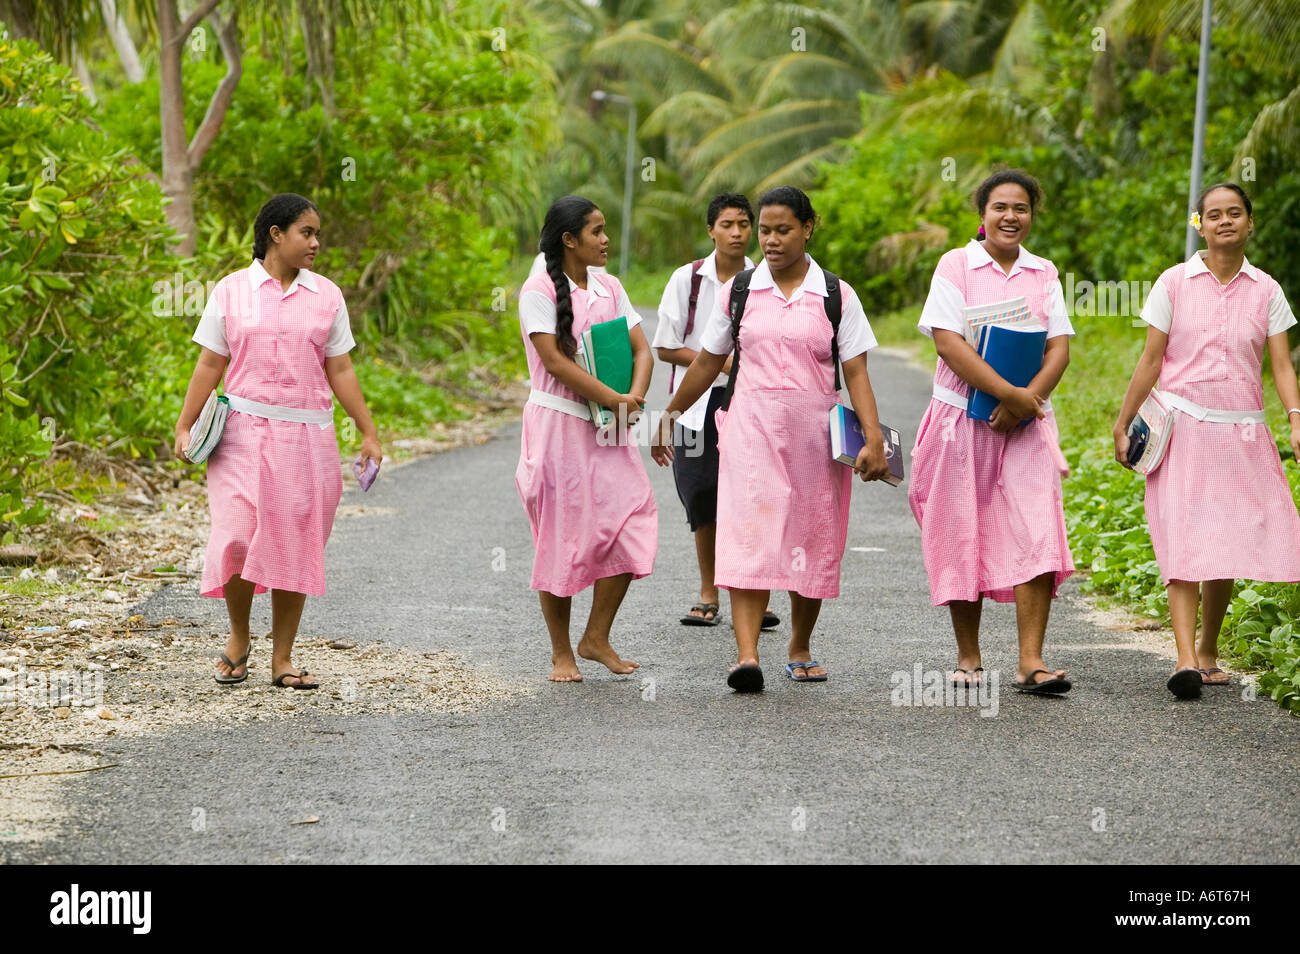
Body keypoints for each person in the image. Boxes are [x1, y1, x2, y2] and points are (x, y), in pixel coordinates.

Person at [652, 186, 889, 692]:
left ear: (808, 228)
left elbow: (857, 372)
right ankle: (747, 656)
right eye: (765, 230)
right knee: (747, 535)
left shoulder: (835, 293)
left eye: (783, 230)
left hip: (814, 439)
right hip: (749, 432)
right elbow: (709, 360)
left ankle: (800, 646)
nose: (771, 240)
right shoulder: (739, 290)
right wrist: (669, 414)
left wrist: (873, 439)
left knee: (811, 535)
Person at [174, 193, 382, 690]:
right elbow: (210, 363)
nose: (316, 243)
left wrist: (369, 431)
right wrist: (184, 425)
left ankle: (283, 657)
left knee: (294, 543)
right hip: (241, 434)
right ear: (275, 234)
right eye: (306, 233)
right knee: (236, 537)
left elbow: (341, 367)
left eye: (317, 234)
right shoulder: (230, 291)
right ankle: (239, 637)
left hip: (308, 437)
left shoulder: (327, 296)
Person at [1114, 182, 1300, 699]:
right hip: (1183, 429)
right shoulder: (1174, 283)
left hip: (1242, 430)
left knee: (1227, 542)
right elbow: (1151, 359)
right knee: (1184, 538)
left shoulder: (1267, 289)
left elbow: (1281, 365)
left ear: (1249, 222)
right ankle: (1184, 659)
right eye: (1213, 214)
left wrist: (1296, 417)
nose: (1224, 222)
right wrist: (1123, 421)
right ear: (1200, 224)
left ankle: (1209, 650)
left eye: (1234, 213)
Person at [908, 169, 1076, 695]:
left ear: (1031, 215)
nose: (1011, 216)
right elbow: (947, 343)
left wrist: (1028, 403)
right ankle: (968, 656)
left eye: (1021, 208)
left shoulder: (1043, 272)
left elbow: (1059, 348)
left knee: (1037, 530)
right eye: (1000, 207)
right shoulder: (956, 265)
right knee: (962, 530)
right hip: (961, 420)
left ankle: (1031, 662)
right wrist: (1009, 394)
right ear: (982, 215)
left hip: (1025, 425)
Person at [516, 195, 657, 683]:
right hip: (558, 426)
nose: (605, 240)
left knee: (632, 519)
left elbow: (643, 350)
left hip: (610, 425)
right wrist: (615, 400)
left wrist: (632, 398)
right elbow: (555, 362)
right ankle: (561, 653)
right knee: (560, 535)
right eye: (596, 231)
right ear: (568, 240)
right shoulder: (537, 290)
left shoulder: (611, 286)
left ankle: (596, 636)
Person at [653, 193, 774, 631]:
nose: (738, 232)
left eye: (745, 224)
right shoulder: (687, 280)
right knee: (701, 496)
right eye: (728, 224)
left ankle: (753, 589)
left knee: (751, 496)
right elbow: (665, 346)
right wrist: (718, 361)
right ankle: (709, 592)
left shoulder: (764, 278)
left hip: (749, 401)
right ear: (711, 230)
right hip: (692, 405)